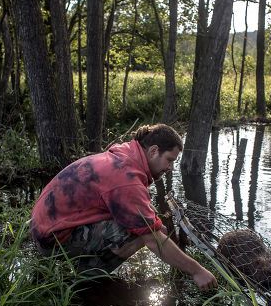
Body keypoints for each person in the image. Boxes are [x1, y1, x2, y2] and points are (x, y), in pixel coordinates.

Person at [30, 124, 217, 290]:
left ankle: (83, 267)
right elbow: (152, 238)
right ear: (153, 151)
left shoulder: (125, 155)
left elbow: (140, 214)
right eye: (169, 160)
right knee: (138, 234)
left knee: (140, 224)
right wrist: (197, 271)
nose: (171, 168)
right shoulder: (127, 178)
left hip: (43, 226)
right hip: (52, 239)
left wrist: (165, 232)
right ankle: (86, 279)